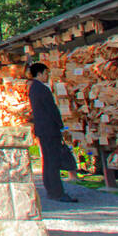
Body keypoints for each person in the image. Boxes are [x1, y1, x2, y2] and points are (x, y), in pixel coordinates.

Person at [28, 62, 78, 202]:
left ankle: (51, 189)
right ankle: (57, 192)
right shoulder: (42, 89)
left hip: (42, 129)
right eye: (46, 73)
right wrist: (60, 124)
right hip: (49, 129)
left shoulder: (33, 88)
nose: (47, 76)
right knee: (53, 161)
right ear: (40, 73)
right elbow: (51, 109)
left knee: (48, 160)